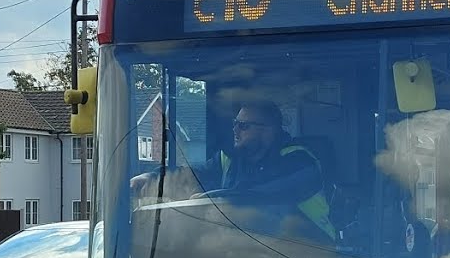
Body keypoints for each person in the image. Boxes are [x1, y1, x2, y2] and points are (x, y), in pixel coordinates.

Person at [131, 100, 336, 241]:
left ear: (269, 129)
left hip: (314, 257)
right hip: (254, 254)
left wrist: (211, 200)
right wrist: (153, 177)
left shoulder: (300, 162)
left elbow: (259, 196)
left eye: (243, 126)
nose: (235, 130)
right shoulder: (229, 159)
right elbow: (191, 175)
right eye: (235, 124)